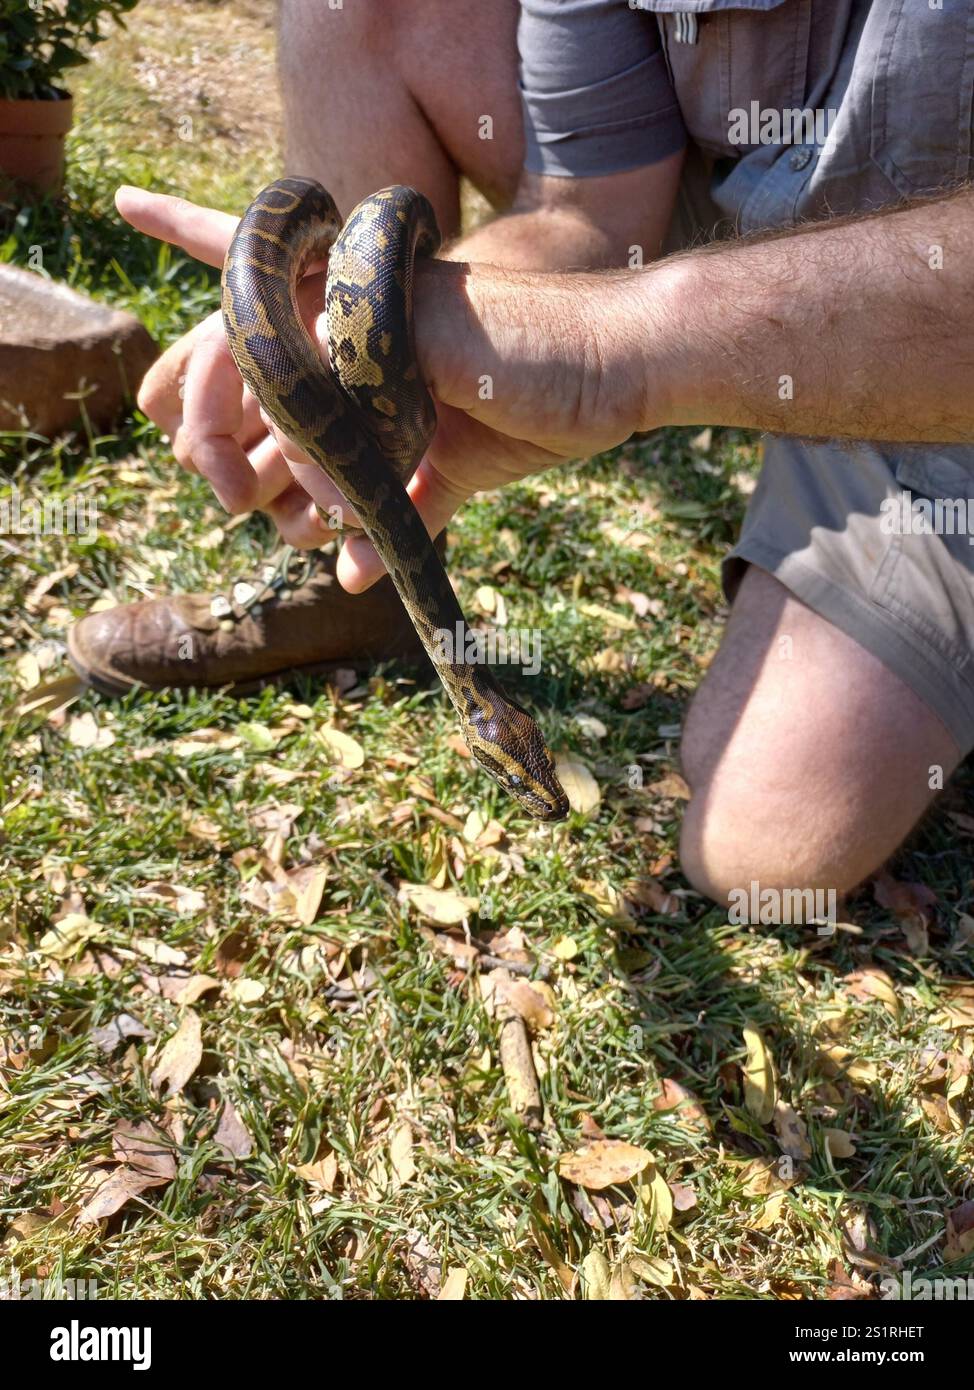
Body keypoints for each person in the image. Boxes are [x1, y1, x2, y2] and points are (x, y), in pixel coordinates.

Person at [68, 0, 974, 908]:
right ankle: (359, 578)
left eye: (519, 770)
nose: (534, 788)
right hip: (751, 225)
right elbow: (589, 207)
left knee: (764, 858)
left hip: (947, 384)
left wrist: (613, 349)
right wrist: (426, 318)